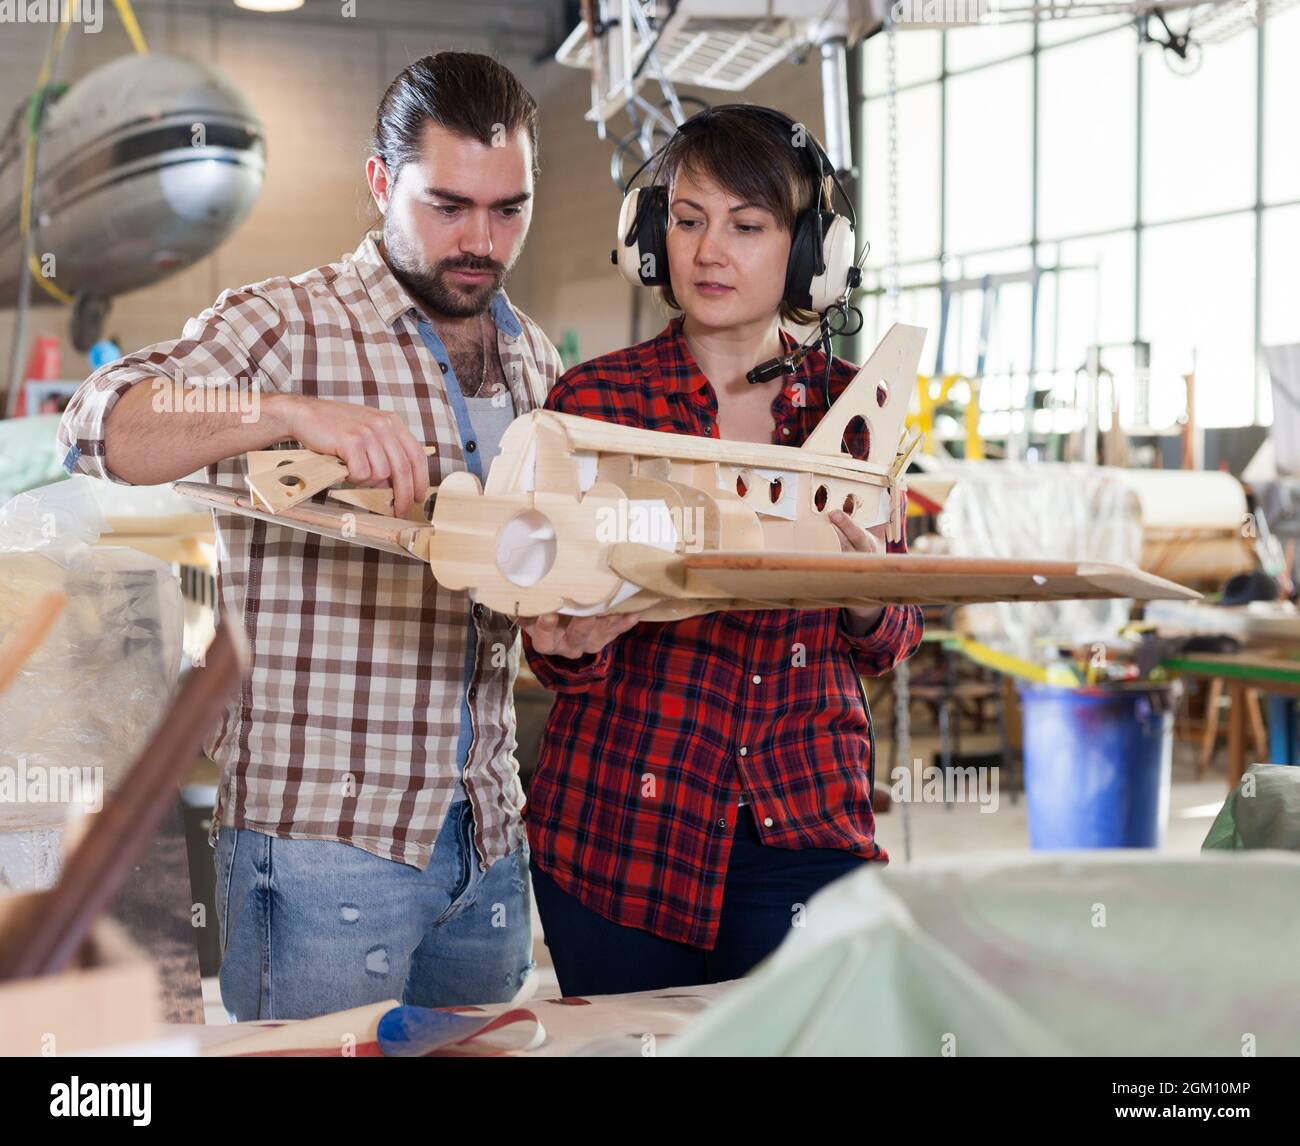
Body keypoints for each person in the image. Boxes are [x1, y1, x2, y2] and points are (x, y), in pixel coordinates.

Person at [57, 52, 569, 1019]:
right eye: (447, 205)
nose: (481, 241)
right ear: (381, 182)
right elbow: (99, 423)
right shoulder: (286, 324)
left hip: (489, 840)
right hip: (318, 845)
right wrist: (288, 411)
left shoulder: (531, 354)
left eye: (510, 209)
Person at [519, 104, 925, 996]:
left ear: (810, 254)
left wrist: (865, 594)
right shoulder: (593, 402)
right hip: (621, 840)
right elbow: (546, 634)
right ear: (654, 236)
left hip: (805, 831)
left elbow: (892, 637)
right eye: (690, 220)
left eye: (748, 227)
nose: (711, 253)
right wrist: (561, 642)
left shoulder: (857, 410)